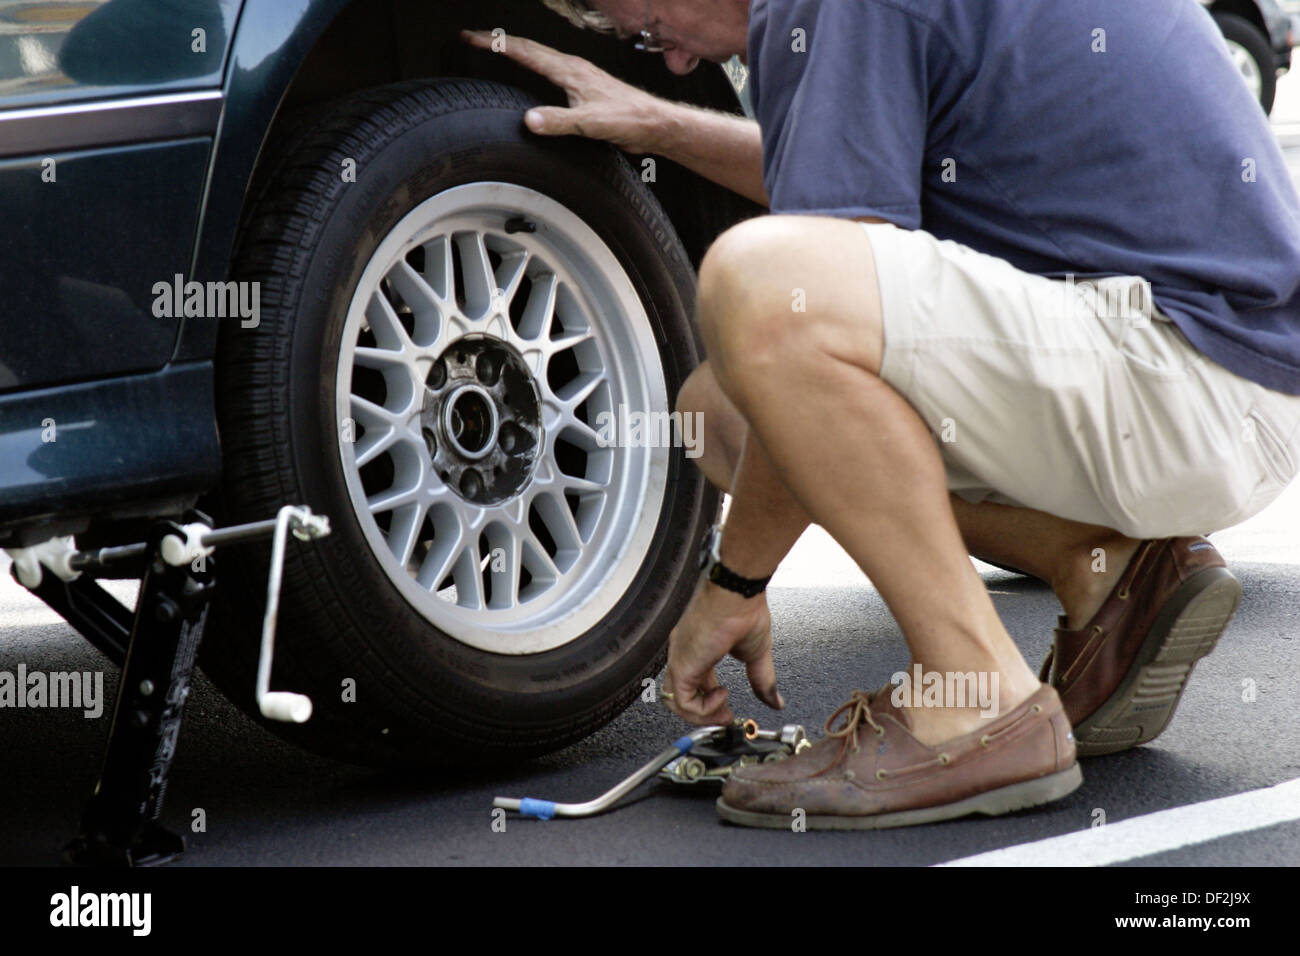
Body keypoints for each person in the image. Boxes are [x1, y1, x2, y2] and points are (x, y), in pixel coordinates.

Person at [464, 0, 1300, 830]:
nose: (672, 62)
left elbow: (811, 296)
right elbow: (871, 173)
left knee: (759, 283)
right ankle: (1103, 565)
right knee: (719, 412)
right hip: (1210, 375)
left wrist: (733, 582)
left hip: (1185, 375)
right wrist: (657, 126)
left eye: (642, 29)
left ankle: (974, 701)